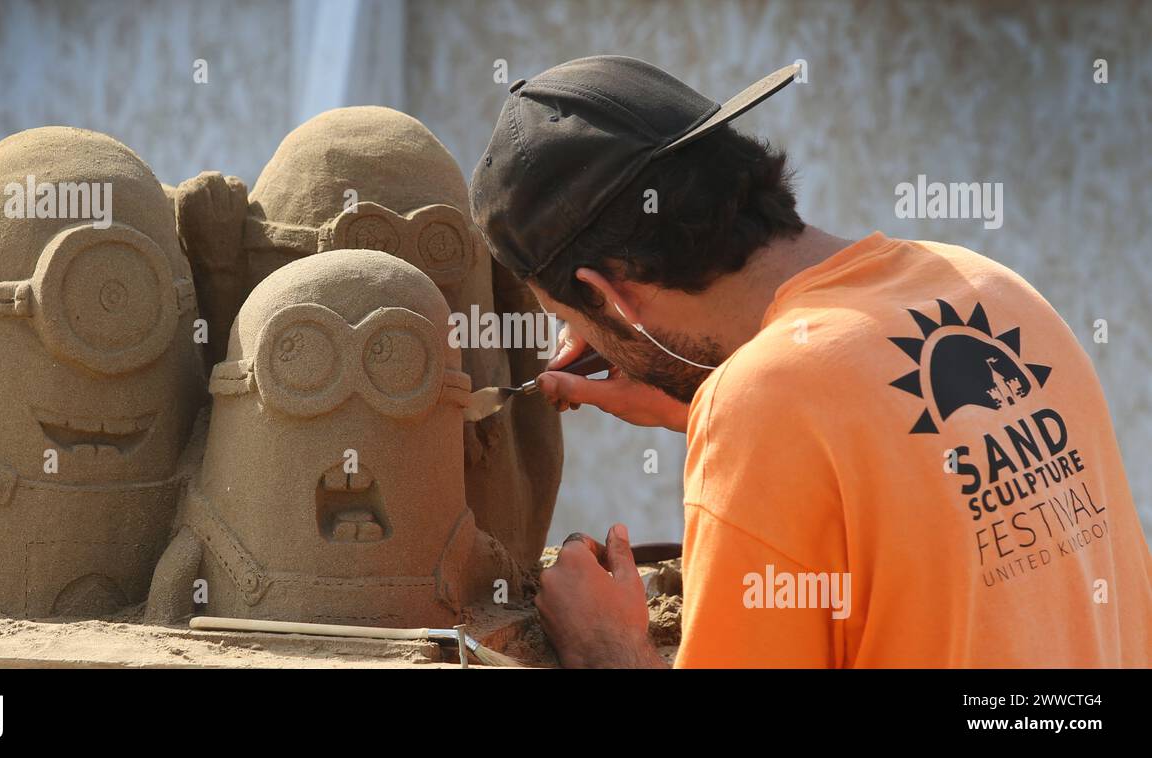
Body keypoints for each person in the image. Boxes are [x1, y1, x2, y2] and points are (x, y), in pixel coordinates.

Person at [469, 55, 1152, 667]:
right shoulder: (990, 289)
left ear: (608, 294)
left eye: (571, 320)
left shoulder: (767, 408)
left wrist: (606, 648)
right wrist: (725, 417)